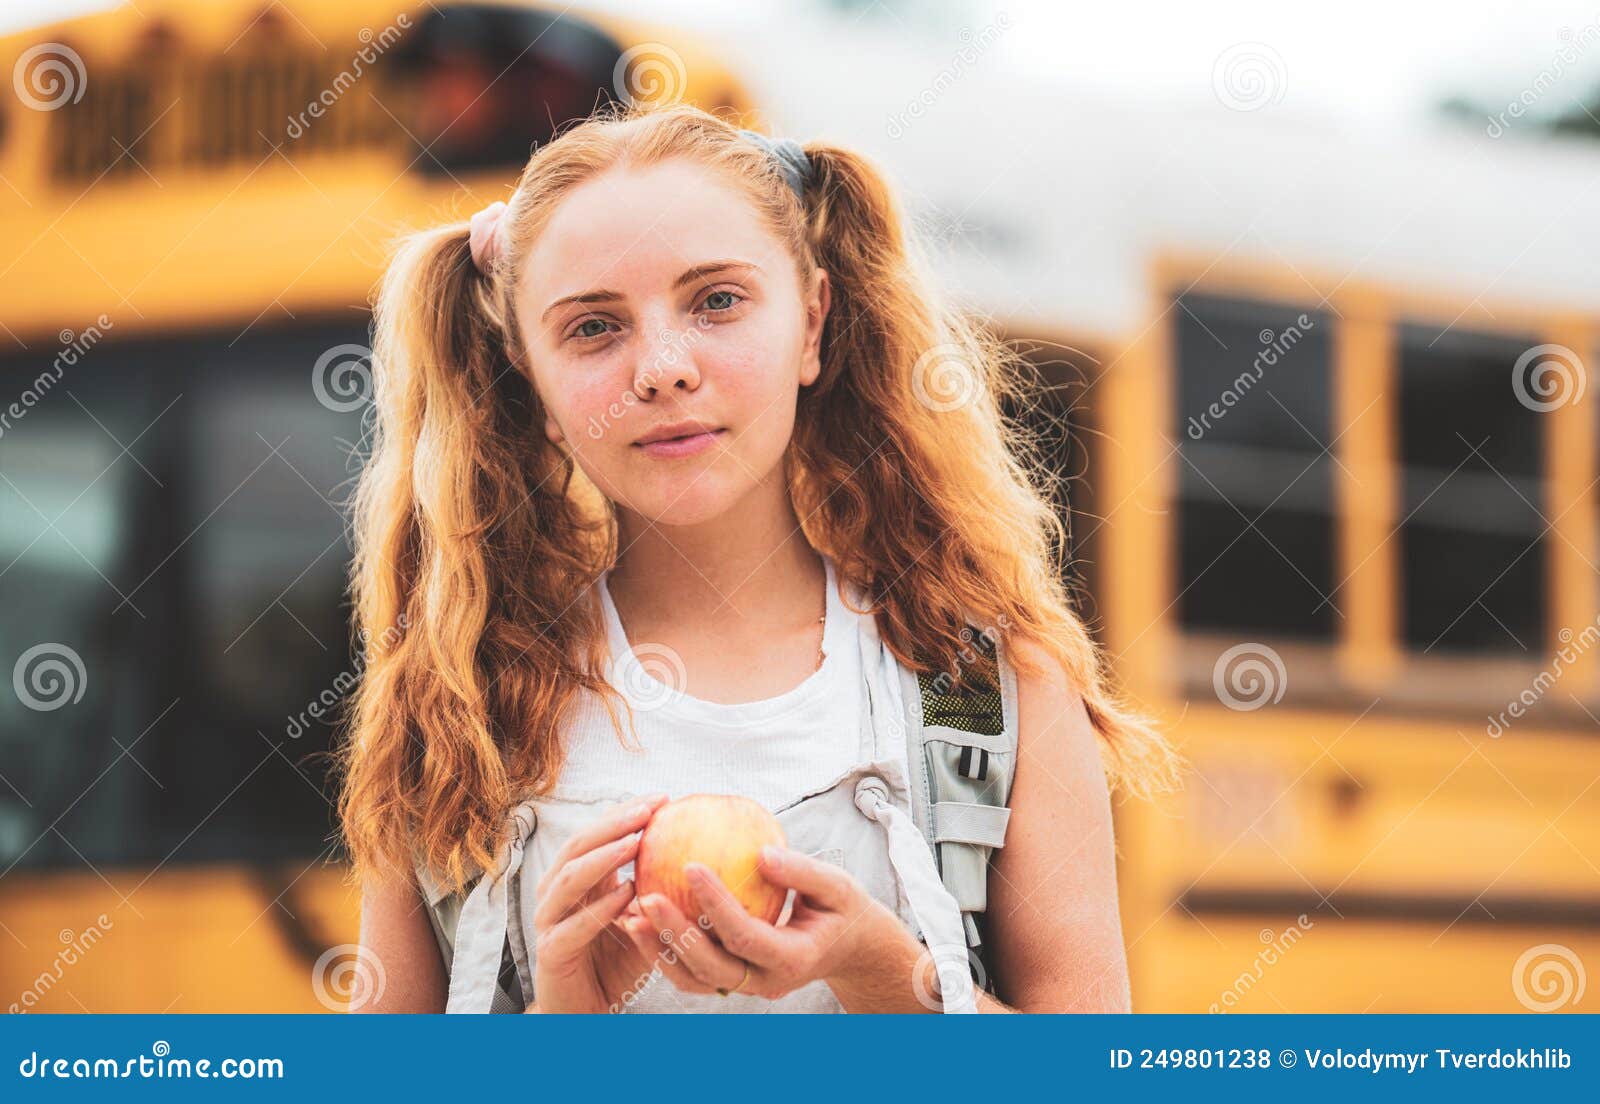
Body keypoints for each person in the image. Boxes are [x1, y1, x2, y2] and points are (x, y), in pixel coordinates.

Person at [336, 101, 1179, 1014]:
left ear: (812, 323)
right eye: (592, 328)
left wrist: (880, 971)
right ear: (531, 380)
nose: (661, 367)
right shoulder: (459, 702)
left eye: (717, 302)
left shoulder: (976, 685)